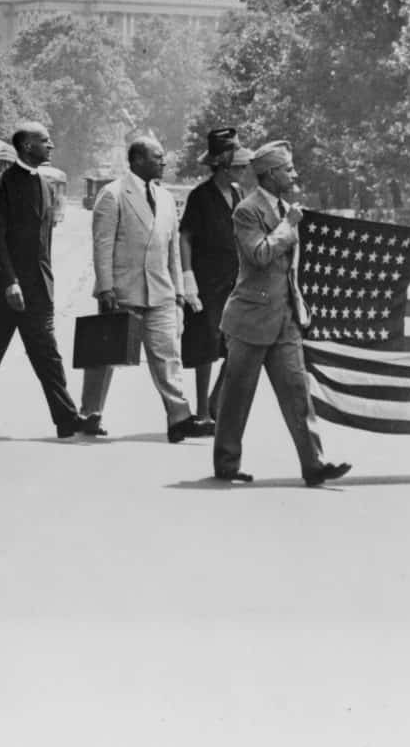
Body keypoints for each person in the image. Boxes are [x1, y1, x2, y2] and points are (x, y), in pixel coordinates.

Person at [209, 140, 351, 486]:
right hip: (250, 319)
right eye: (287, 169)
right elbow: (258, 254)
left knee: (297, 395)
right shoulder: (247, 210)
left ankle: (313, 465)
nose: (294, 173)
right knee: (237, 397)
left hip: (285, 316)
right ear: (270, 174)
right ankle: (227, 464)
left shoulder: (288, 207)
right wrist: (288, 226)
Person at [85, 133, 215, 443]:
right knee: (105, 355)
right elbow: (102, 245)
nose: (164, 162)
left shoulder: (167, 198)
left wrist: (179, 292)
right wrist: (106, 288)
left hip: (161, 292)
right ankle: (90, 414)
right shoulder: (113, 194)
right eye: (158, 157)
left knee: (167, 355)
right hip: (122, 290)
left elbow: (171, 250)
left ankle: (179, 417)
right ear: (138, 160)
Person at [0, 121, 93, 440]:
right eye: (45, 141)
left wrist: (47, 284)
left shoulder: (43, 183)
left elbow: (44, 244)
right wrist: (10, 281)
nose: (51, 145)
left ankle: (66, 419)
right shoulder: (0, 185)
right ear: (27, 146)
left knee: (48, 355)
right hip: (6, 290)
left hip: (38, 290)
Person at [178, 129, 250, 422]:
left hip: (236, 280)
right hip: (206, 281)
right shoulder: (200, 196)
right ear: (222, 165)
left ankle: (216, 401)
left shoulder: (239, 194)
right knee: (206, 343)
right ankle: (202, 411)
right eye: (239, 166)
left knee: (238, 344)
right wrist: (187, 276)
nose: (244, 171)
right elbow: (185, 237)